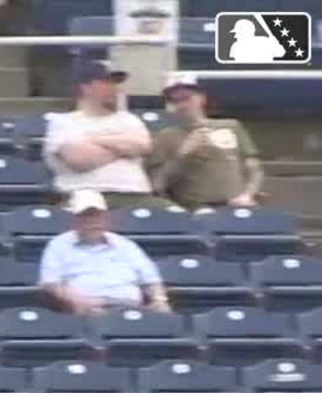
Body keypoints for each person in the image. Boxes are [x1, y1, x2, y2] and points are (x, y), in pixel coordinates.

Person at [43, 60, 170, 209]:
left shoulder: (129, 119)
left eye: (116, 83)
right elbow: (79, 160)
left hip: (138, 197)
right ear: (86, 87)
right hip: (85, 198)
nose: (115, 88)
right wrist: (123, 150)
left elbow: (143, 146)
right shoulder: (63, 122)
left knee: (178, 216)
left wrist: (94, 140)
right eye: (107, 82)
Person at [39, 190, 170, 314]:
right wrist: (78, 301)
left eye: (97, 215)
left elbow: (151, 278)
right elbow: (51, 283)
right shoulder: (59, 245)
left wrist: (159, 300)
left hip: (131, 308)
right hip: (88, 310)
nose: (92, 221)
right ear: (73, 219)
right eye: (85, 216)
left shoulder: (124, 244)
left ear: (106, 217)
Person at [147, 74, 264, 211]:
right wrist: (183, 154)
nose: (182, 105)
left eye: (186, 98)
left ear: (201, 98)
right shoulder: (165, 137)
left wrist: (248, 194)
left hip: (238, 205)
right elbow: (158, 184)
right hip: (196, 208)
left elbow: (253, 168)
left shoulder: (231, 126)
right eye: (174, 101)